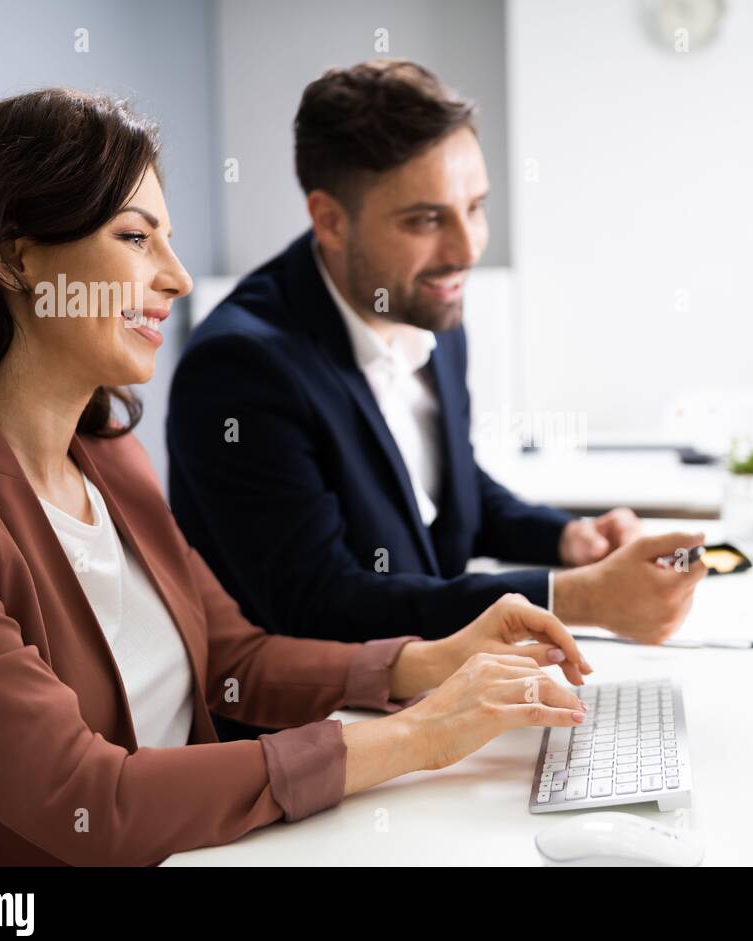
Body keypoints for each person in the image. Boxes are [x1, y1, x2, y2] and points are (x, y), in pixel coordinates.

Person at [0, 89, 593, 866]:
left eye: (171, 241)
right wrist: (419, 734)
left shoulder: (111, 456)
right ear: (16, 258)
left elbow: (234, 661)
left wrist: (433, 659)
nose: (178, 279)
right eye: (135, 238)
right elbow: (83, 796)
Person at [166, 60, 706, 664]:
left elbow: (448, 487)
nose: (466, 248)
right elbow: (319, 606)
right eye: (426, 219)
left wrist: (564, 538)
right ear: (330, 220)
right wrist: (572, 597)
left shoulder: (428, 304)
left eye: (474, 207)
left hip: (436, 693)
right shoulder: (239, 371)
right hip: (322, 735)